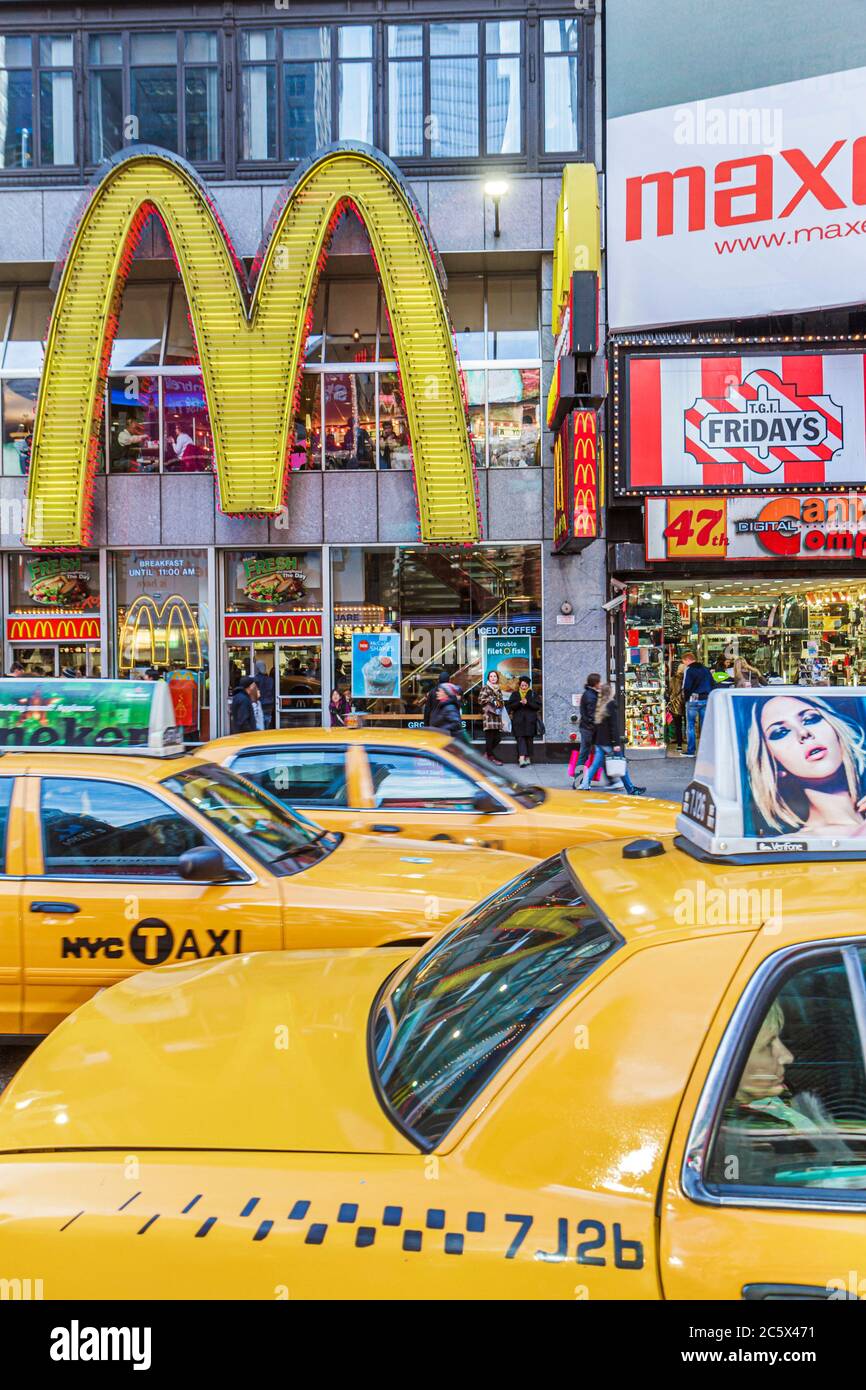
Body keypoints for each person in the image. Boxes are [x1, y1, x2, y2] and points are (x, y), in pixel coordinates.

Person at [715, 1000, 856, 1187]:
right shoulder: (729, 1140)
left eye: (780, 1039)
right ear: (732, 1060)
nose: (787, 1056)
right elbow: (736, 1190)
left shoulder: (789, 1101)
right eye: (768, 1045)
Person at [744, 693, 866, 839]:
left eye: (811, 719)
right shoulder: (794, 844)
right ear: (774, 764)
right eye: (780, 732)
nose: (803, 732)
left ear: (836, 731)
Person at [578, 683, 645, 795]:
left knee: (595, 765)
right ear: (610, 692)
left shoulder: (600, 704)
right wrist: (616, 743)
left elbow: (597, 725)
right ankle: (631, 789)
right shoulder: (611, 704)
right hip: (609, 742)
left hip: (600, 741)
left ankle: (584, 784)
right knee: (621, 764)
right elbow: (614, 726)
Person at [682, 651, 715, 756]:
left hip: (693, 699)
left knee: (690, 725)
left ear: (688, 659)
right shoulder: (705, 669)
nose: (684, 664)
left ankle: (691, 750)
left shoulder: (690, 670)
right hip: (705, 699)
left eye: (684, 662)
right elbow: (712, 683)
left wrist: (686, 699)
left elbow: (686, 686)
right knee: (704, 725)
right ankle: (705, 750)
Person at [507, 677, 541, 768]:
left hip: (530, 721)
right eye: (522, 685)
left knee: (529, 739)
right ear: (519, 685)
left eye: (525, 685)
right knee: (520, 739)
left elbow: (537, 706)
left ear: (528, 685)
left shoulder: (533, 694)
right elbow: (510, 706)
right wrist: (519, 702)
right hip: (518, 721)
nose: (524, 687)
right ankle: (521, 758)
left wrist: (528, 703)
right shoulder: (515, 694)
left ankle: (528, 757)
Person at [429, 679, 468, 743]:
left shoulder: (449, 707)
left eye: (440, 691)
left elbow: (456, 723)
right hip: (443, 739)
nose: (437, 693)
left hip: (449, 741)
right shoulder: (442, 705)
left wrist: (441, 730)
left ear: (446, 694)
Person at [478, 669, 505, 763]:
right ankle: (492, 757)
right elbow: (480, 699)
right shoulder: (486, 688)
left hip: (497, 716)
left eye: (495, 676)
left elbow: (502, 702)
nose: (493, 678)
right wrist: (492, 699)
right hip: (489, 716)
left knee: (497, 738)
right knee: (490, 738)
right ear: (488, 678)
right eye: (491, 676)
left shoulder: (498, 689)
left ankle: (487, 755)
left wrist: (499, 703)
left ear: (497, 678)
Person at [577, 673, 601, 772]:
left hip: (588, 728)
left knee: (588, 753)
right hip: (588, 730)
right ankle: (579, 777)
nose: (601, 683)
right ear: (595, 683)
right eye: (599, 682)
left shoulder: (589, 693)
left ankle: (581, 777)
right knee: (584, 754)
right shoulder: (590, 696)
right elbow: (592, 716)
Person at [668, 658, 686, 753]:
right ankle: (687, 741)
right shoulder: (687, 678)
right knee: (688, 724)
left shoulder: (672, 679)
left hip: (675, 704)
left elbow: (669, 691)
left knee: (677, 725)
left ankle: (679, 745)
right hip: (686, 703)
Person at [254, 659, 275, 728]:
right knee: (267, 719)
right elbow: (272, 691)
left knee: (260, 719)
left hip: (260, 702)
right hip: (269, 703)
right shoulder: (270, 679)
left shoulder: (256, 679)